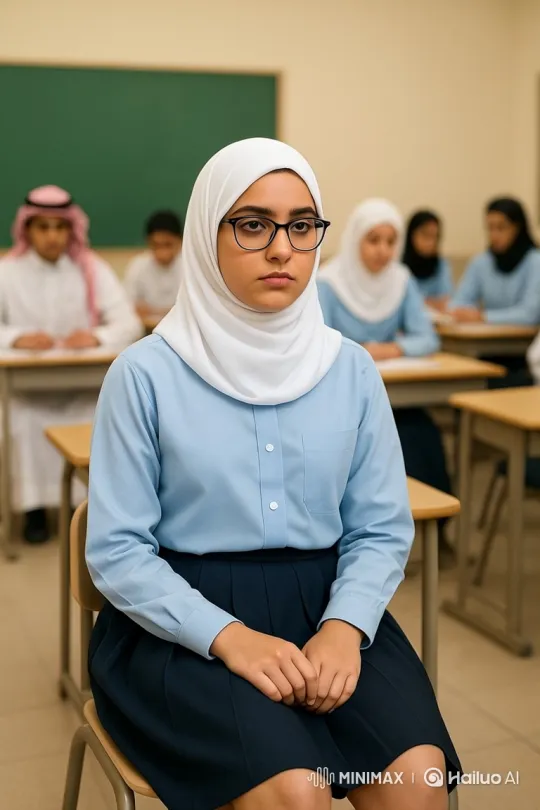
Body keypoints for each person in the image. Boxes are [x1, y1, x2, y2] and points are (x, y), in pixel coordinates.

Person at [86, 140, 460, 810]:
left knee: (419, 778)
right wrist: (227, 637)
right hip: (182, 617)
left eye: (302, 226)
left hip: (327, 600)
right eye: (253, 225)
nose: (282, 249)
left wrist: (346, 626)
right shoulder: (143, 375)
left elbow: (380, 527)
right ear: (208, 234)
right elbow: (117, 551)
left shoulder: (350, 369)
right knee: (295, 792)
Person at [0, 185, 142, 543]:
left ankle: (86, 508)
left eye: (59, 227)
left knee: (100, 416)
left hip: (83, 388)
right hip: (26, 391)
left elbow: (129, 323)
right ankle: (33, 511)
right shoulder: (7, 271)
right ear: (27, 229)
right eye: (43, 227)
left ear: (71, 229)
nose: (52, 236)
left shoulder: (92, 269)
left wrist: (96, 336)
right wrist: (16, 337)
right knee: (21, 419)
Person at [318, 200, 455, 568]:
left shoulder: (401, 280)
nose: (383, 250)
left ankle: (433, 533)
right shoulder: (328, 282)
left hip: (398, 396)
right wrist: (362, 352)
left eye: (391, 241)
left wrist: (393, 348)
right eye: (373, 240)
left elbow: (428, 337)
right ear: (355, 239)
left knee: (424, 438)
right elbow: (318, 340)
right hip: (344, 400)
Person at [449, 197, 540, 386]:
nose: (494, 235)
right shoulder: (481, 262)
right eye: (490, 228)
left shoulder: (535, 261)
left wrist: (482, 317)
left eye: (501, 227)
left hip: (524, 353)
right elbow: (458, 303)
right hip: (486, 350)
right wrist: (463, 312)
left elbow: (530, 314)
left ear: (517, 228)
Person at [124, 209, 183, 317]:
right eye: (156, 245)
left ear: (180, 242)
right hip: (146, 327)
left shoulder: (190, 266)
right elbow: (126, 307)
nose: (162, 252)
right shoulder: (137, 266)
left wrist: (153, 311)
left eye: (168, 245)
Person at [402, 210, 453, 312]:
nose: (431, 242)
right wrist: (428, 302)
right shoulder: (399, 266)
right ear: (411, 235)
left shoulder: (441, 265)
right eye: (426, 235)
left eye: (435, 236)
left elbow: (446, 301)